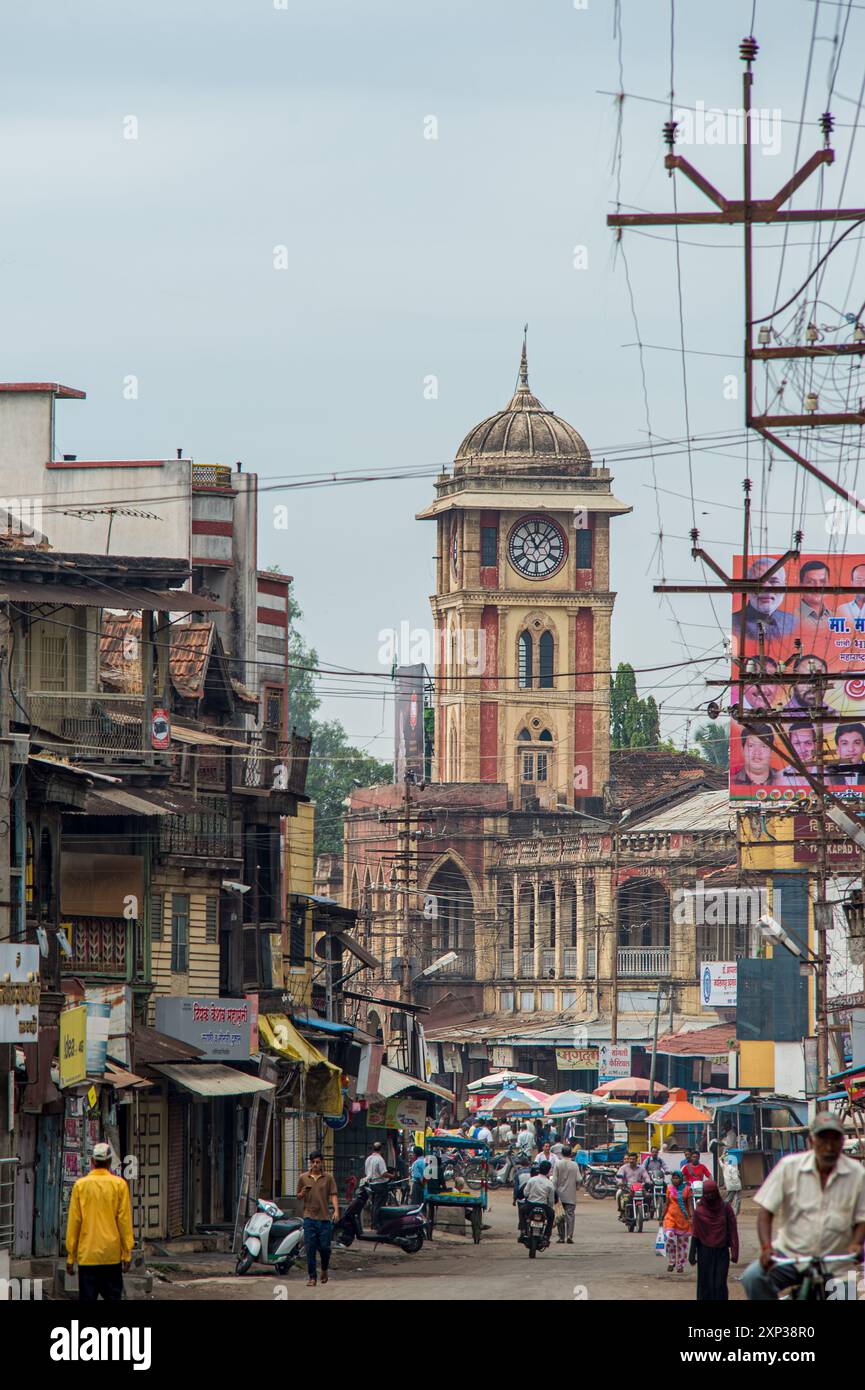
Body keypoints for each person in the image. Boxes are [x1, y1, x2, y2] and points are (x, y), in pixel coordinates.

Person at [742, 1112, 865, 1300]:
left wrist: (856, 1243)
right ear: (811, 1141)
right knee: (753, 1277)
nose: (829, 1147)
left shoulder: (857, 1174)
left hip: (837, 1263)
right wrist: (767, 1247)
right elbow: (766, 1211)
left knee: (847, 1296)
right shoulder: (789, 1167)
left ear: (842, 1142)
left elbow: (861, 1219)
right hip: (791, 1254)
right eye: (823, 1140)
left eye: (835, 1140)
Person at [65, 1142, 133, 1302]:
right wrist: (127, 1253)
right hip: (111, 1255)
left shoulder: (80, 1186)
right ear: (110, 1162)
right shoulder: (119, 1185)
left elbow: (74, 1222)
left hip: (87, 1255)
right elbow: (124, 1221)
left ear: (92, 1161)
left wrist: (70, 1256)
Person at [688, 1179, 739, 1300]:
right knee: (705, 1283)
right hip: (704, 1252)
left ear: (716, 1192)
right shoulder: (699, 1211)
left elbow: (732, 1230)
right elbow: (695, 1233)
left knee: (719, 1283)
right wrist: (692, 1253)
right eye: (707, 1194)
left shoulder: (726, 1209)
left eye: (712, 1193)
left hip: (721, 1251)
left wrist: (735, 1250)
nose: (710, 1196)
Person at [297, 1151, 339, 1288]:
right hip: (309, 1217)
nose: (315, 1165)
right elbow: (298, 1196)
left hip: (324, 1218)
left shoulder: (328, 1178)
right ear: (310, 1163)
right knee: (310, 1247)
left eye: (318, 1162)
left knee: (325, 1247)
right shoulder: (303, 1177)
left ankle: (325, 1269)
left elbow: (333, 1195)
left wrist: (336, 1211)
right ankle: (312, 1277)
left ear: (322, 1163)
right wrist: (302, 1193)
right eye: (313, 1162)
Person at [732, 557, 797, 642]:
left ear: (784, 587)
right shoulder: (733, 623)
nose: (765, 588)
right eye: (758, 582)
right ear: (747, 588)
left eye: (773, 581)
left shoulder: (793, 622)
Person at [731, 723, 783, 788]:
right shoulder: (732, 782)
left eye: (763, 746)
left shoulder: (785, 780)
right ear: (742, 750)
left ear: (771, 750)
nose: (757, 752)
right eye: (751, 746)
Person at [662, 1170, 694, 1274]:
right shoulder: (669, 1188)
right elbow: (666, 1203)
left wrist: (691, 1217)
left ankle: (680, 1264)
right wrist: (661, 1217)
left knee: (682, 1244)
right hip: (670, 1217)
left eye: (677, 1178)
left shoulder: (687, 1189)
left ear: (681, 1179)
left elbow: (690, 1205)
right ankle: (672, 1261)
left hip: (683, 1219)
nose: (675, 1180)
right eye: (674, 1178)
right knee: (669, 1237)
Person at [520, 1159, 556, 1243]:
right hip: (543, 1206)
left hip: (530, 1205)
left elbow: (525, 1193)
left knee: (521, 1211)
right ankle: (547, 1235)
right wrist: (550, 1208)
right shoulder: (549, 1183)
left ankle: (523, 1231)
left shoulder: (532, 1180)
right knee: (551, 1216)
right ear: (549, 1170)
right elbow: (551, 1201)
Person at [553, 1144, 581, 1245]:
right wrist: (577, 1186)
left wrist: (554, 1192)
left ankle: (561, 1237)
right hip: (571, 1195)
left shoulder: (558, 1164)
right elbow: (579, 1179)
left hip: (560, 1195)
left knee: (560, 1216)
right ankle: (569, 1236)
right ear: (570, 1154)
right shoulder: (574, 1165)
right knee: (570, 1216)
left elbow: (554, 1180)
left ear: (561, 1153)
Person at [615, 1151, 648, 1216]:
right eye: (630, 1159)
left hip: (639, 1189)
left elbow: (646, 1176)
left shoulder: (641, 1168)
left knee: (648, 1196)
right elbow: (618, 1176)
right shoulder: (623, 1168)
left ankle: (646, 1211)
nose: (631, 1161)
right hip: (627, 1188)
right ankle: (622, 1211)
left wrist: (648, 1182)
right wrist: (620, 1182)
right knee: (619, 1194)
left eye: (633, 1159)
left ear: (636, 1160)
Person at [720, 1152, 742, 1216]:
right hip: (736, 1185)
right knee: (737, 1199)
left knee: (730, 1199)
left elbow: (720, 1159)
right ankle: (734, 1213)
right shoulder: (732, 1165)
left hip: (732, 1185)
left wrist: (723, 1155)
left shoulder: (724, 1165)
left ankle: (725, 1211)